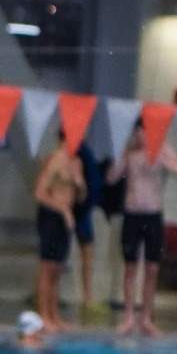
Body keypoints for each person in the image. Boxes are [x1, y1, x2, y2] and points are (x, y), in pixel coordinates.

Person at [106, 120, 177, 337]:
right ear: (134, 133)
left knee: (152, 269)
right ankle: (128, 317)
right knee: (130, 268)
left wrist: (164, 159)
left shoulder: (164, 149)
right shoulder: (130, 153)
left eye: (144, 132)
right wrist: (121, 159)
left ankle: (146, 319)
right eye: (138, 132)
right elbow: (111, 178)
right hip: (132, 214)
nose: (141, 136)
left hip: (153, 215)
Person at [31, 141, 85, 332]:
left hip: (66, 217)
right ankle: (43, 316)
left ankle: (54, 315)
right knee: (47, 267)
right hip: (51, 216)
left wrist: (80, 184)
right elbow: (39, 193)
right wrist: (62, 210)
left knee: (57, 268)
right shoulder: (55, 160)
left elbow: (80, 197)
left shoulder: (77, 162)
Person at [71, 135, 104, 316]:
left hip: (80, 211)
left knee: (86, 256)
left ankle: (87, 297)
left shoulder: (86, 154)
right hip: (72, 211)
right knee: (53, 262)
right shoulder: (72, 154)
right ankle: (87, 297)